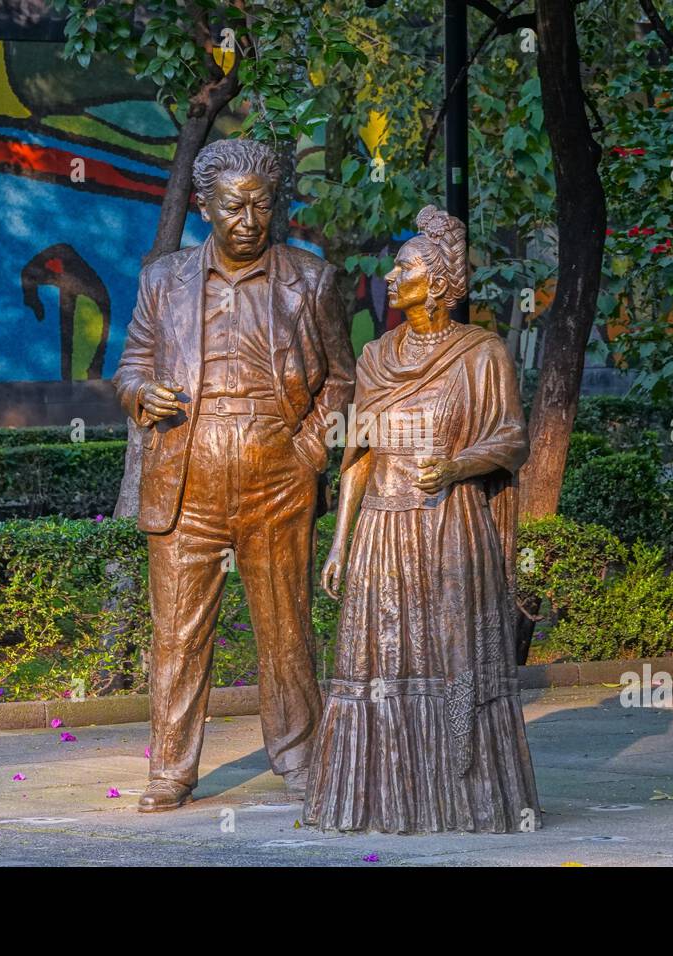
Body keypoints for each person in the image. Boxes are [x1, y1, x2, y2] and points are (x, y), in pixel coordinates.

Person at [113, 139, 355, 811]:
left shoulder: (312, 279)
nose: (249, 221)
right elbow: (131, 362)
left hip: (277, 476)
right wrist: (139, 392)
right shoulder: (163, 280)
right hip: (185, 474)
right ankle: (170, 768)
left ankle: (301, 757)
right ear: (202, 207)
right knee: (179, 634)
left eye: (262, 206)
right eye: (233, 207)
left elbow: (341, 380)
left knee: (285, 627)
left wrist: (310, 451)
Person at [304, 206, 540, 833]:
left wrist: (459, 464)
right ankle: (379, 798)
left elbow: (514, 439)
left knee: (455, 660)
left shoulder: (482, 354)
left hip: (451, 526)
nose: (390, 275)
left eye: (403, 266)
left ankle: (464, 799)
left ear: (436, 283)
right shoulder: (377, 357)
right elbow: (357, 458)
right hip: (383, 531)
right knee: (379, 666)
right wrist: (338, 544)